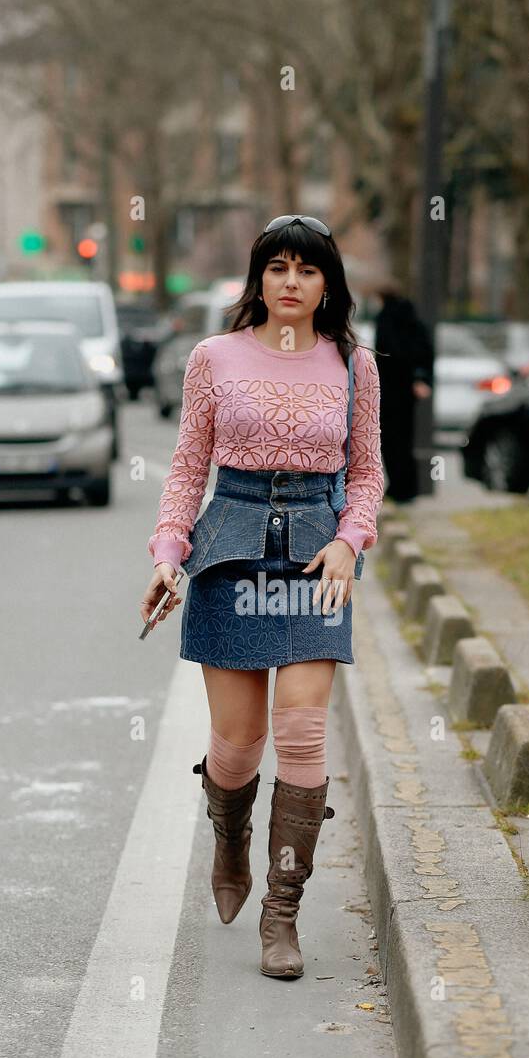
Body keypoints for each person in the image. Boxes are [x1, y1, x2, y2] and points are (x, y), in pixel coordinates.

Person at [141, 215, 384, 980]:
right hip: (231, 548)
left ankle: (282, 913)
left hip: (316, 557)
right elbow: (187, 468)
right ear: (259, 280)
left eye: (306, 270)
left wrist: (350, 538)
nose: (290, 281)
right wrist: (167, 552)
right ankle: (229, 833)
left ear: (326, 285)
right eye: (276, 267)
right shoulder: (213, 357)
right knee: (239, 745)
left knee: (304, 735)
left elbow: (369, 474)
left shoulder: (354, 364)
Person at [373, 279, 433, 503]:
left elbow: (387, 352)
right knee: (405, 439)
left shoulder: (386, 319)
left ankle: (400, 487)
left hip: (389, 389)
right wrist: (420, 377)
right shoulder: (412, 319)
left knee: (391, 439)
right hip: (407, 390)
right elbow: (423, 350)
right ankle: (408, 486)